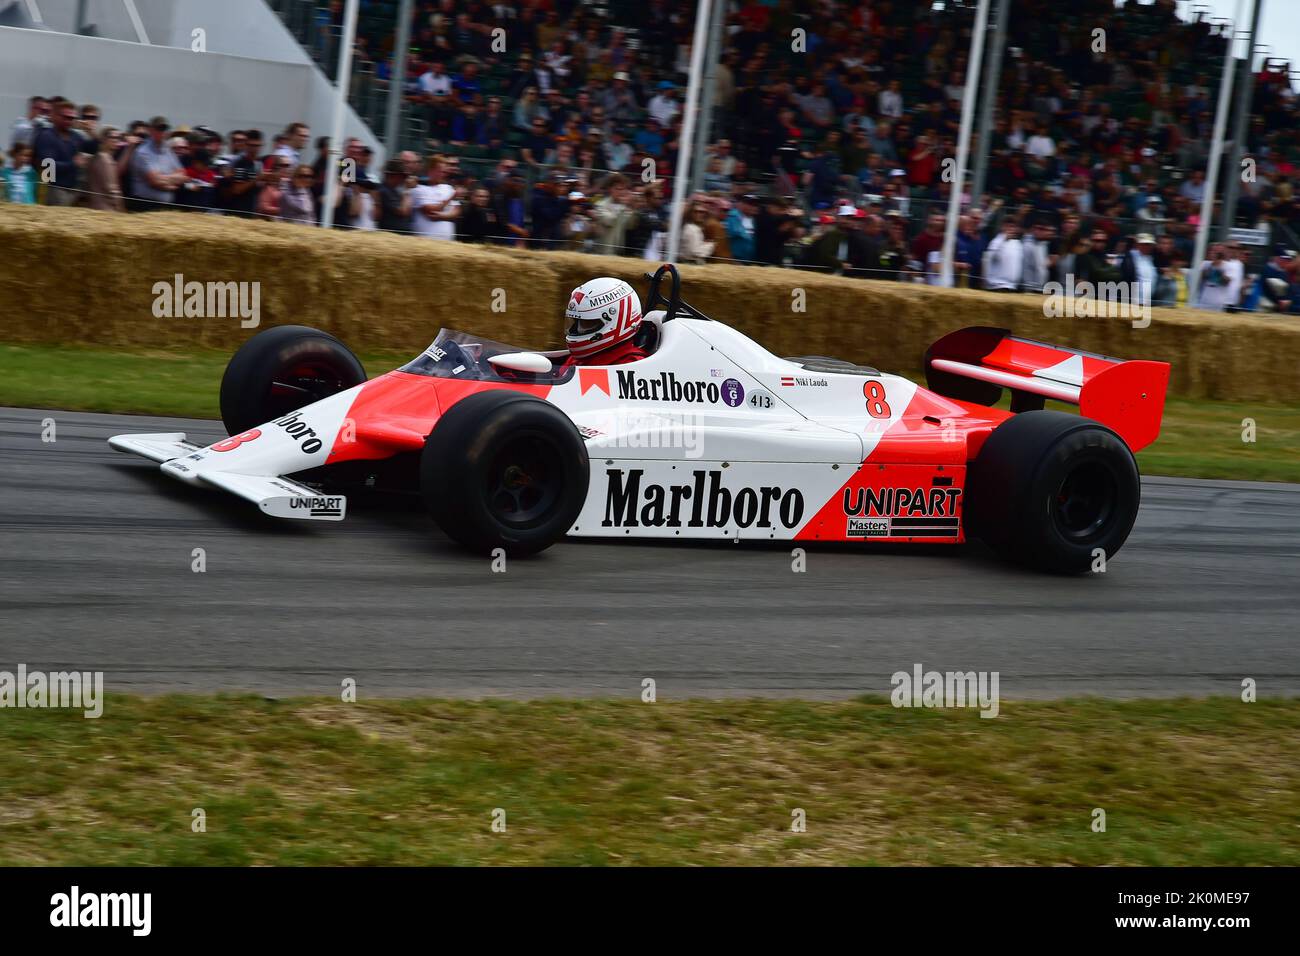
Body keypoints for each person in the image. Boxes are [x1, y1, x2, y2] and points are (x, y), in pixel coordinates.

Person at [560, 277, 648, 368]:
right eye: (577, 323)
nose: (578, 329)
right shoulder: (578, 360)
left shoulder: (632, 365)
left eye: (587, 324)